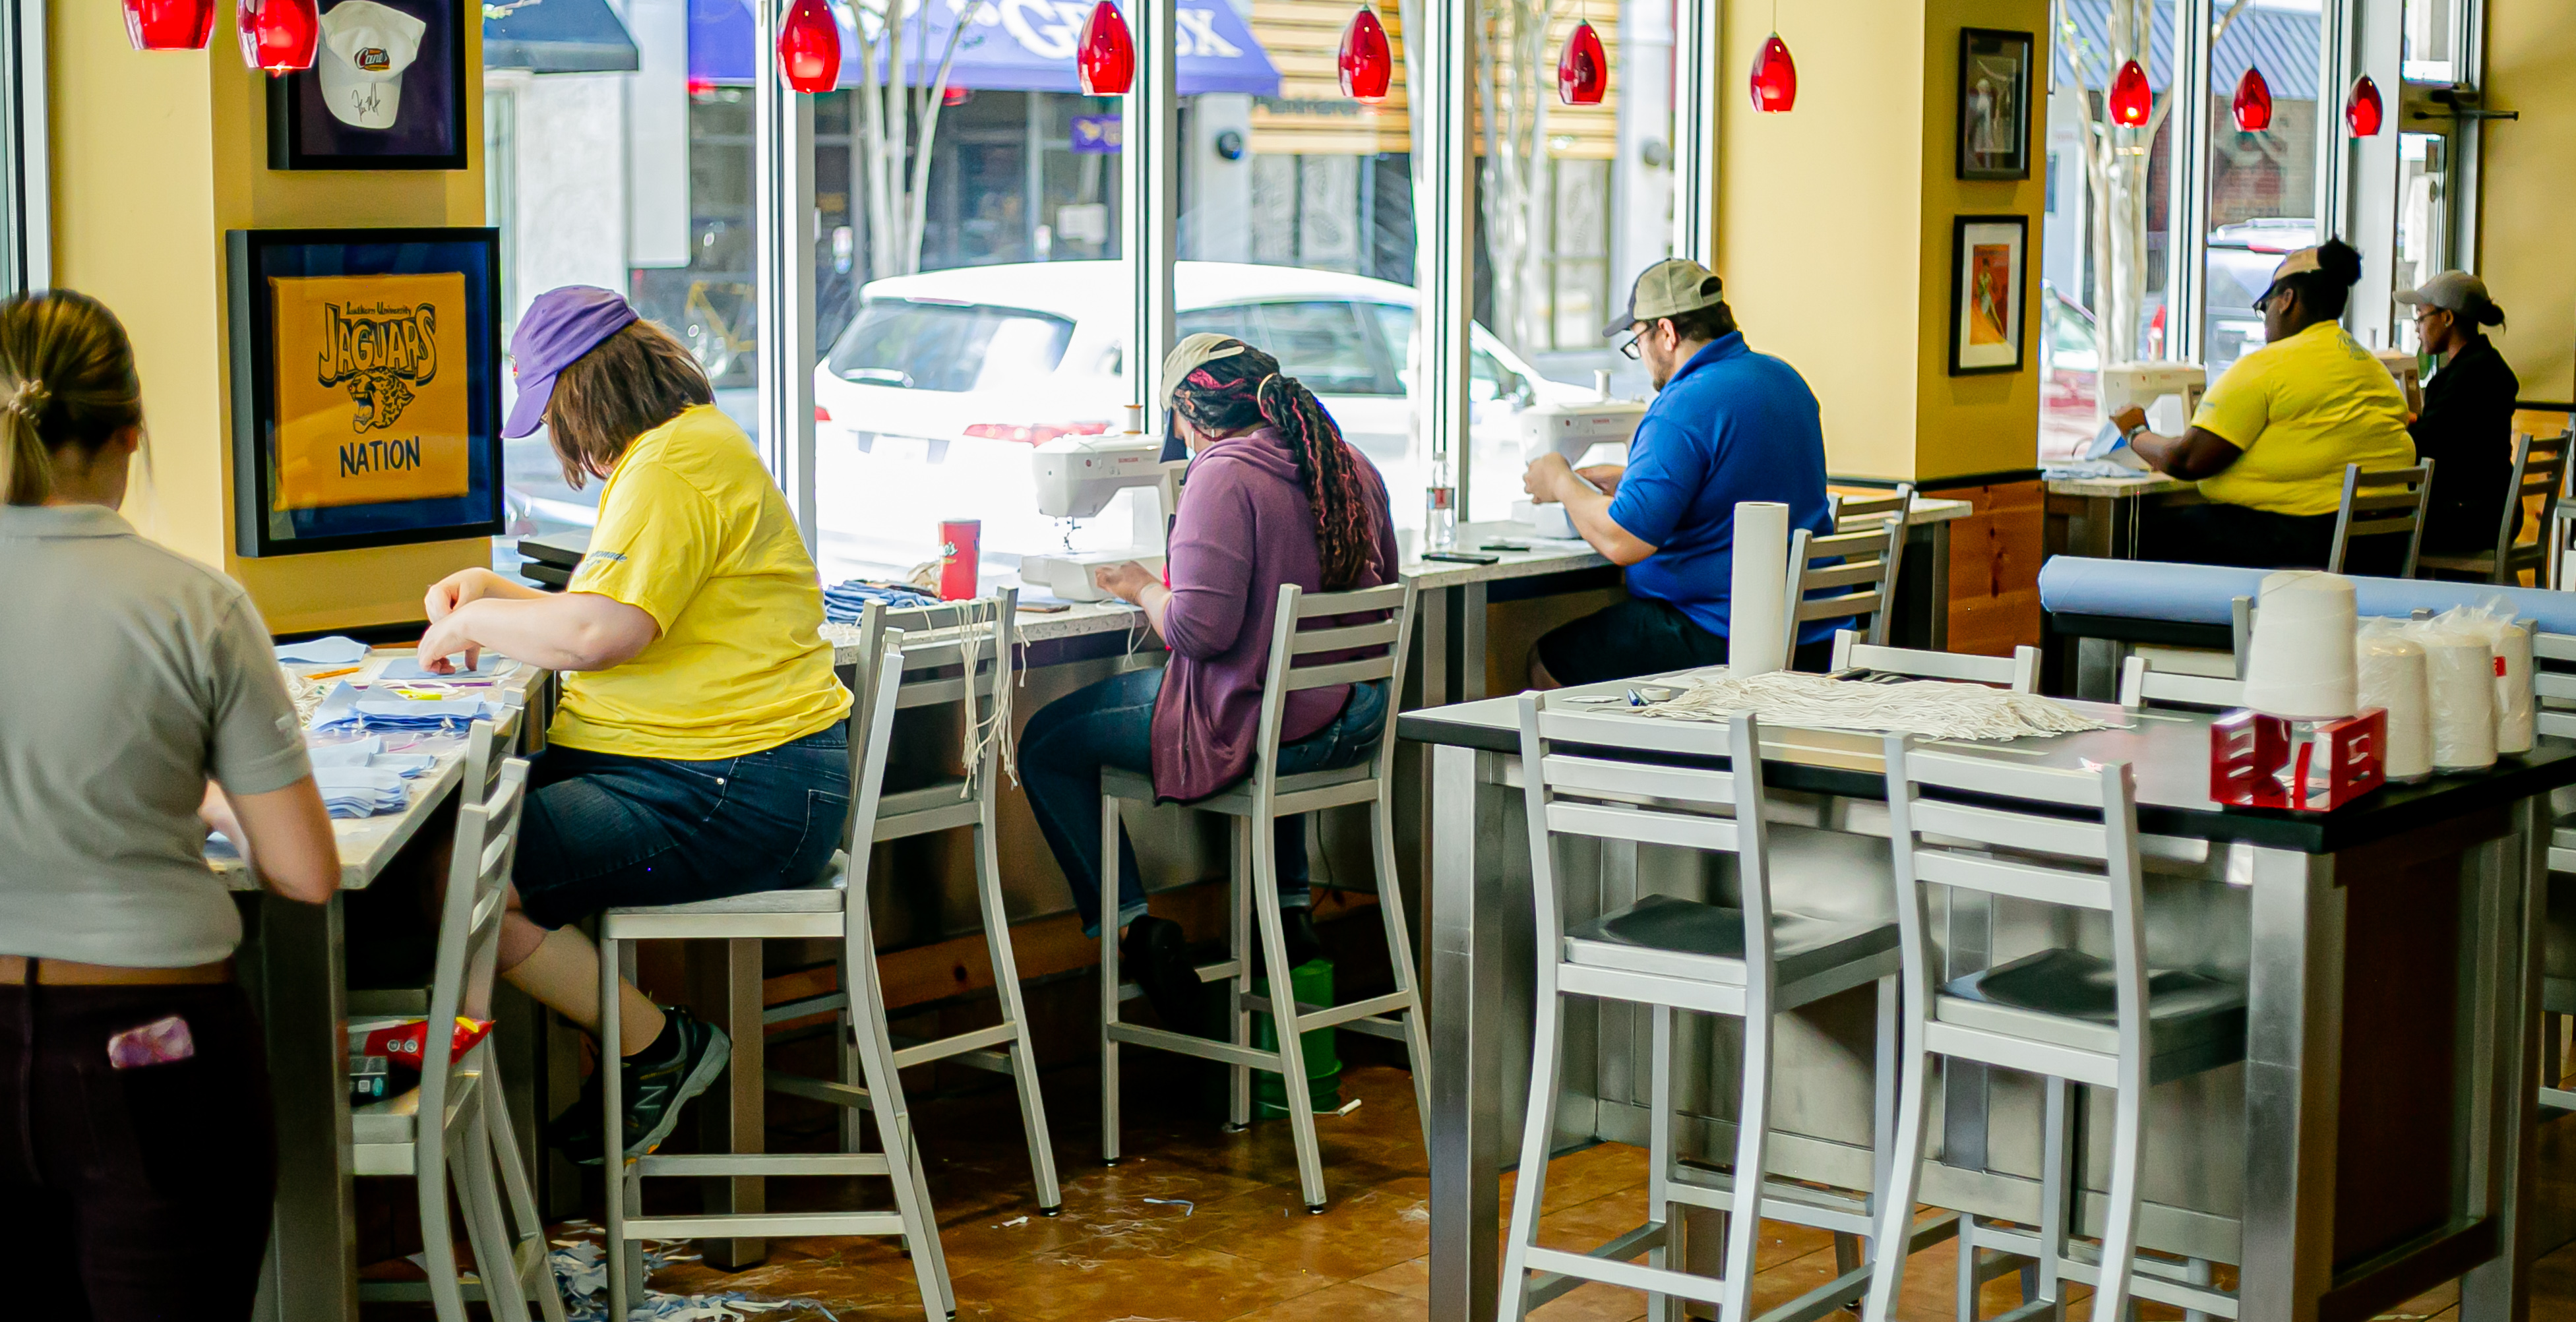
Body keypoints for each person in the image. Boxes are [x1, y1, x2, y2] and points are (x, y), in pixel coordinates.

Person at [415, 287, 853, 1163]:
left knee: (455, 867)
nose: (560, 441)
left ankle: (657, 1046)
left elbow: (600, 633)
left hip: (731, 792)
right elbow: (612, 603)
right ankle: (642, 1048)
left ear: (580, 392)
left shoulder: (668, 469)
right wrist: (497, 594)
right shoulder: (686, 449)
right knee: (458, 854)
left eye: (552, 415)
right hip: (725, 780)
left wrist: (470, 625)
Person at [0, 289, 341, 1318]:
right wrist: (202, 793)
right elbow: (304, 871)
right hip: (153, 1055)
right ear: (131, 435)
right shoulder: (196, 605)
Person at [1020, 334, 1398, 1032]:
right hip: (1356, 716)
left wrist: (1140, 587)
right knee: (1282, 699)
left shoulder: (1221, 474)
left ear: (1189, 417)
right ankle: (1289, 913)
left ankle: (1134, 928)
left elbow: (1199, 632)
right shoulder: (1347, 463)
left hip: (1279, 731)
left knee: (1044, 743)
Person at [1520, 258, 1834, 687]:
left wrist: (1560, 480)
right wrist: (1632, 479)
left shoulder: (1684, 403)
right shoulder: (1786, 380)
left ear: (1665, 332)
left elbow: (1621, 540)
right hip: (1814, 637)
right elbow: (1737, 480)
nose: (1643, 357)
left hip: (1722, 638)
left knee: (1547, 661)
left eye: (1637, 342)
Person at [2119, 239, 2415, 570]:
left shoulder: (2268, 366)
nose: (2266, 320)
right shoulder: (2375, 370)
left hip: (2304, 546)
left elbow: (2186, 460)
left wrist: (2135, 431)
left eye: (2265, 306)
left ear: (2287, 300)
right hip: (2380, 550)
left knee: (2144, 533)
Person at [2399, 270, 2521, 558]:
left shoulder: (2465, 375)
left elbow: (2426, 445)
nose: (2417, 328)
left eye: (2421, 317)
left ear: (2447, 318)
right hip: (2498, 510)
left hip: (2469, 516)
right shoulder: (2491, 365)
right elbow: (2455, 433)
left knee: (2380, 530)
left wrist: (2400, 427)